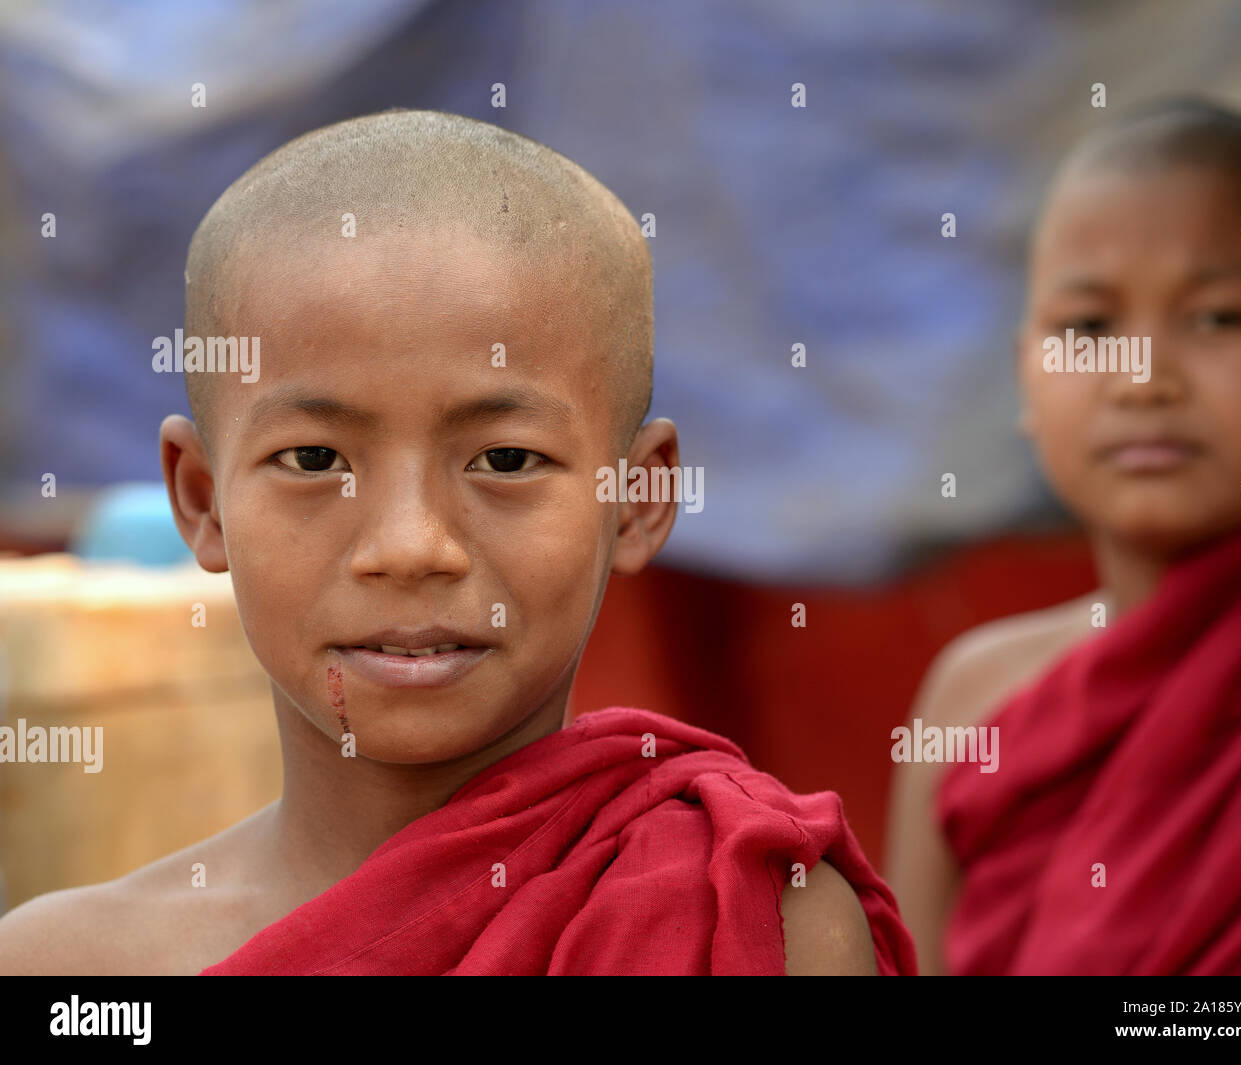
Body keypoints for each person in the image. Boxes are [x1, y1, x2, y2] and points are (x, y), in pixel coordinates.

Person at [0, 110, 915, 976]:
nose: (410, 545)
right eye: (314, 458)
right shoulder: (71, 967)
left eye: (506, 458)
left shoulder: (753, 913)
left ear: (636, 496)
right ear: (201, 501)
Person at [886, 98, 1241, 975]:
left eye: (1220, 316)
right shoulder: (976, 695)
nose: (1142, 379)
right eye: (1089, 328)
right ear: (1024, 378)